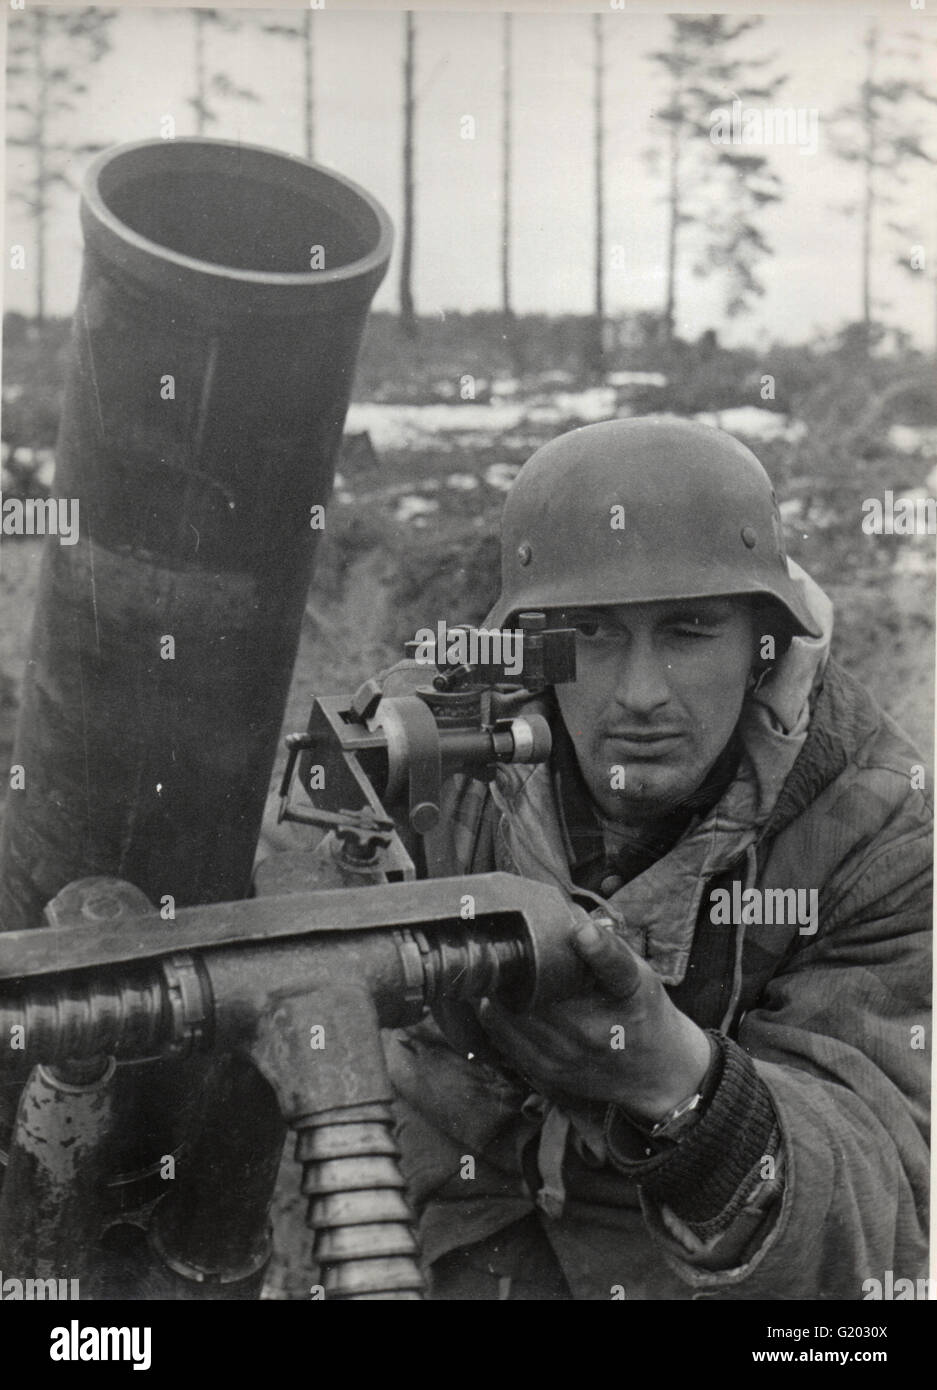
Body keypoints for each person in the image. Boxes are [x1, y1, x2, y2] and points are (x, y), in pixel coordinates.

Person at [379, 415, 932, 1301]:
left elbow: (879, 1216)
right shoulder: (429, 755)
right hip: (450, 1234)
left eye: (687, 632)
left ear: (764, 643)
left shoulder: (874, 829)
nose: (639, 694)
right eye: (592, 634)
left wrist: (674, 1077)